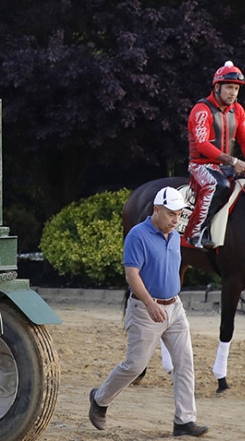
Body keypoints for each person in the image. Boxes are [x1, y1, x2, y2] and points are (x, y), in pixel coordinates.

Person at [88, 187, 209, 437]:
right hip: (145, 310)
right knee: (134, 366)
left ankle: (184, 420)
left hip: (175, 308)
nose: (176, 220)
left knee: (185, 363)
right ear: (156, 210)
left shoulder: (175, 236)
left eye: (179, 214)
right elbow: (131, 275)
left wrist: (171, 298)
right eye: (171, 214)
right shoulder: (137, 235)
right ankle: (100, 400)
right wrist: (151, 303)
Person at [185, 61, 245, 248]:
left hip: (227, 166)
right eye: (229, 88)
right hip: (201, 165)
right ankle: (194, 233)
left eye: (236, 88)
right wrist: (234, 161)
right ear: (217, 87)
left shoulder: (238, 110)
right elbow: (203, 146)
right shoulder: (201, 110)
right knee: (217, 185)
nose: (233, 93)